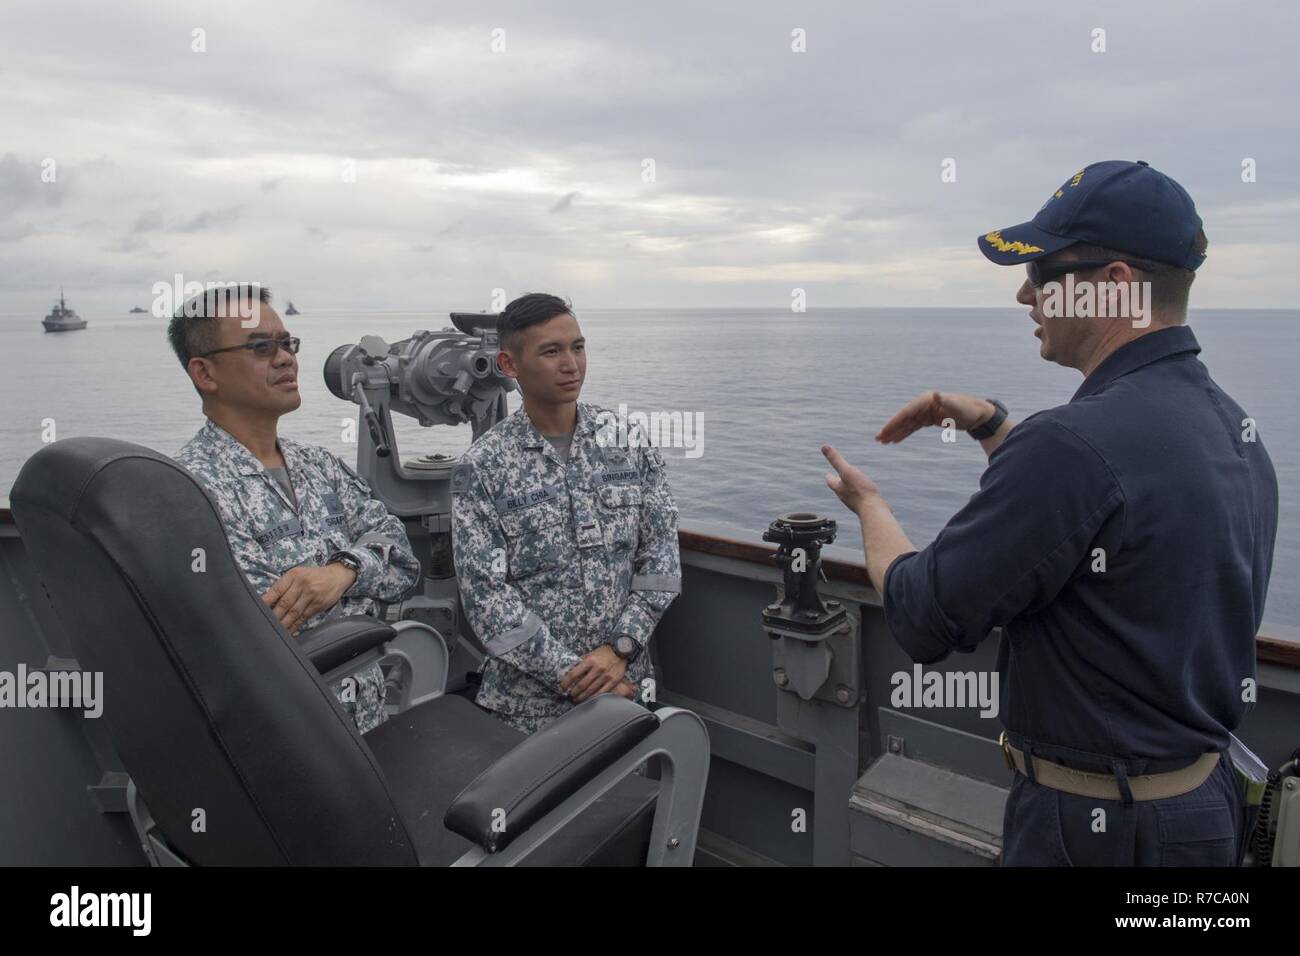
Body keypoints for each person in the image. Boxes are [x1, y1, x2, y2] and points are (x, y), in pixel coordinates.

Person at [821, 160, 1278, 866]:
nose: (1024, 293)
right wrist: (992, 425)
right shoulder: (1235, 432)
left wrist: (870, 507)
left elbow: (920, 614)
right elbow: (1098, 515)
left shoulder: (1072, 445)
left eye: (1044, 274)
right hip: (1201, 814)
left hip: (1093, 831)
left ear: (1118, 286)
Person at [168, 284, 422, 733]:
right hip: (285, 738)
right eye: (261, 348)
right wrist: (361, 579)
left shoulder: (319, 466)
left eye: (287, 344)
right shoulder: (188, 490)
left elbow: (402, 558)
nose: (286, 359)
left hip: (369, 724)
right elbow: (269, 622)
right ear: (205, 373)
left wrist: (342, 571)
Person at [451, 293, 681, 734]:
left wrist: (620, 648)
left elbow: (661, 559)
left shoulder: (626, 441)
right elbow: (486, 598)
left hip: (627, 686)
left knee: (631, 799)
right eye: (551, 351)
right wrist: (575, 677)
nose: (571, 364)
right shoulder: (483, 467)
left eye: (577, 347)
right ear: (509, 365)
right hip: (528, 710)